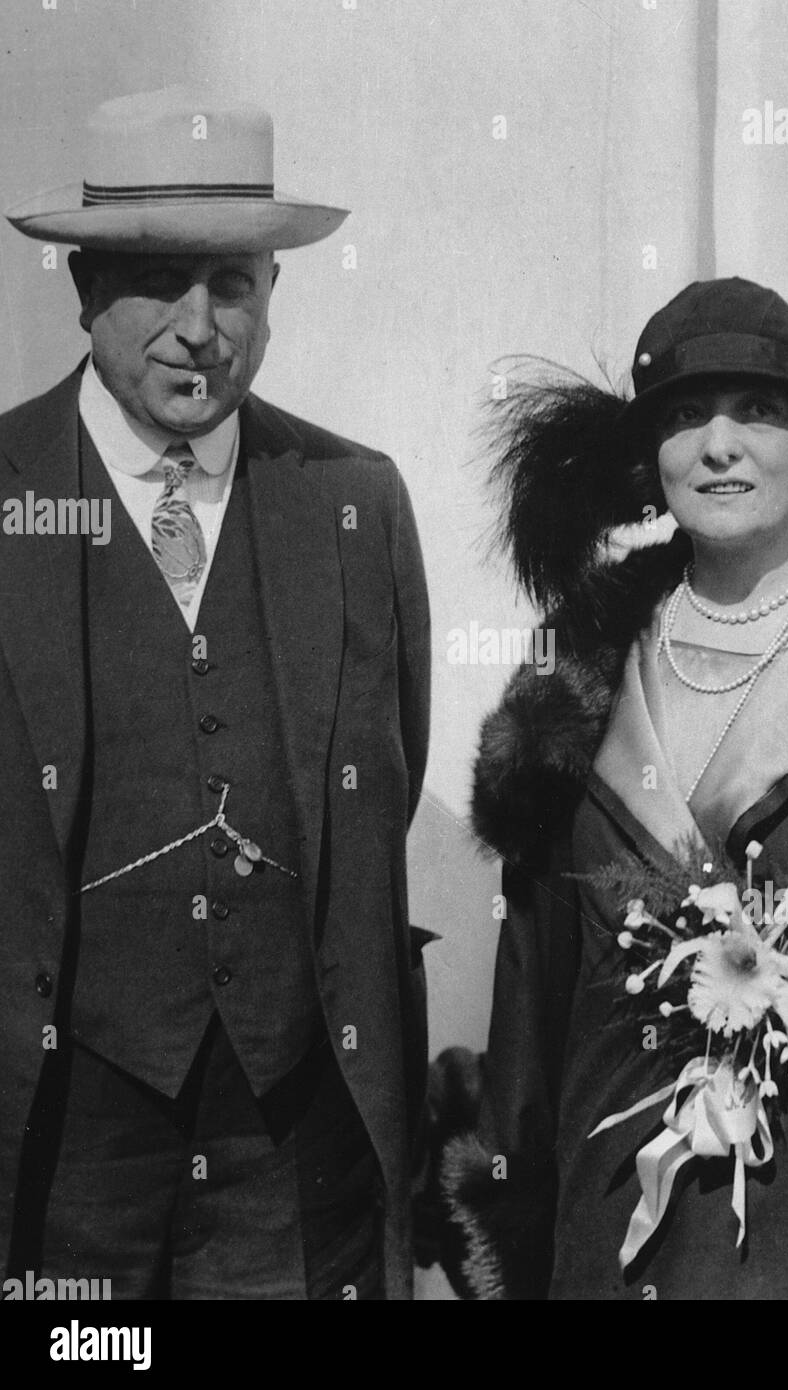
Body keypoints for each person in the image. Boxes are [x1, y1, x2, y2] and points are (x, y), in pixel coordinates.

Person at [439, 277, 788, 1300]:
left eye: (759, 411)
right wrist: (506, 1224)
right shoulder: (579, 667)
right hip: (611, 1233)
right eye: (686, 415)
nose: (720, 443)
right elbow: (532, 993)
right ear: (653, 460)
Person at [0, 86, 431, 1300]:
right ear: (85, 288)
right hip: (60, 1142)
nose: (199, 326)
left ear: (274, 294)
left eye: (232, 284)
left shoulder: (353, 500)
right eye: (160, 281)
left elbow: (376, 794)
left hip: (283, 1143)